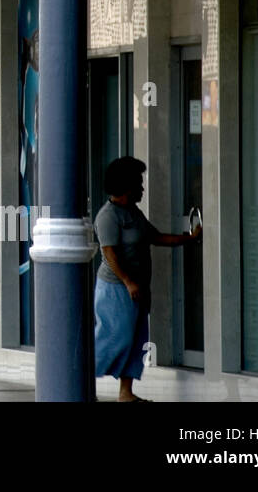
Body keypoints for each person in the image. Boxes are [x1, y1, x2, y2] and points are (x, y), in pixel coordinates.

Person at [93, 156, 201, 401]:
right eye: (139, 183)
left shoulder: (133, 212)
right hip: (116, 289)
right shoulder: (108, 216)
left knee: (134, 338)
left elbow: (156, 237)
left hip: (138, 288)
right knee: (114, 337)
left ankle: (126, 393)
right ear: (127, 187)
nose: (142, 188)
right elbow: (109, 253)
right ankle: (79, 382)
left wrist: (190, 238)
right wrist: (128, 282)